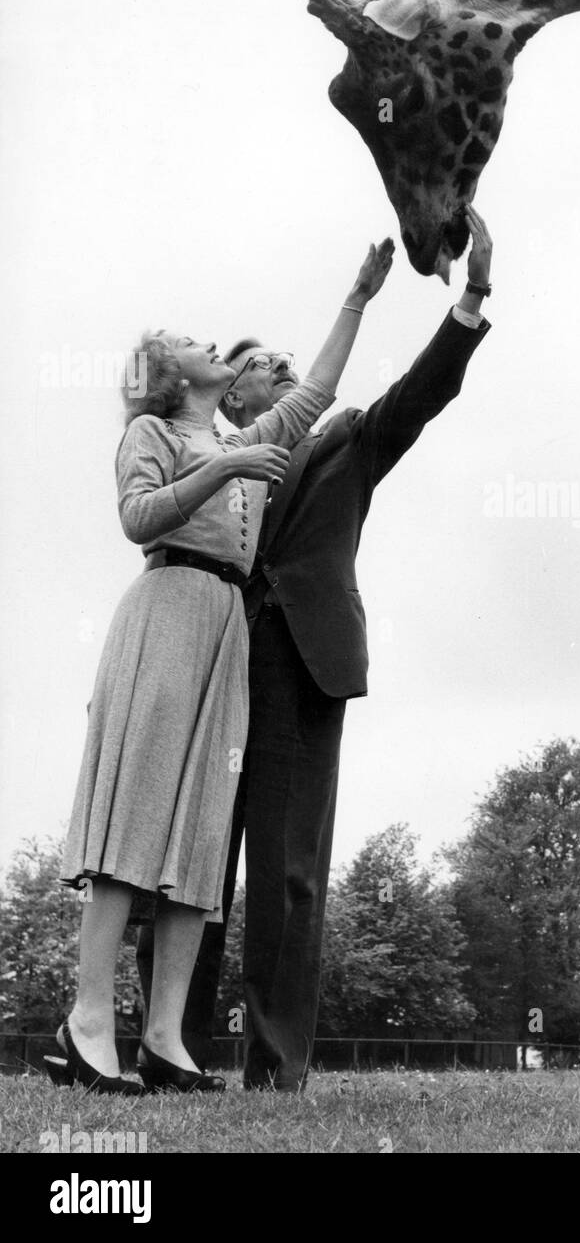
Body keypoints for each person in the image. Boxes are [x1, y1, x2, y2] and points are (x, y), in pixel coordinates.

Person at [137, 204, 493, 1090]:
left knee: (290, 871)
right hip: (215, 663)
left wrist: (471, 298)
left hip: (303, 666)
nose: (283, 371)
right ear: (239, 395)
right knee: (189, 858)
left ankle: (276, 1064)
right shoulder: (202, 453)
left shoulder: (345, 439)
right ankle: (164, 1049)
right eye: (263, 366)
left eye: (287, 365)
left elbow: (419, 394)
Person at [50, 240, 395, 1094]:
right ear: (172, 372)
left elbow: (314, 393)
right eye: (190, 339)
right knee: (135, 827)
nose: (207, 340)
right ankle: (88, 1023)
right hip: (167, 613)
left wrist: (355, 299)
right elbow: (137, 518)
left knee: (199, 838)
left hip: (224, 636)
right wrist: (230, 468)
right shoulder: (154, 431)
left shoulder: (250, 432)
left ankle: (166, 1038)